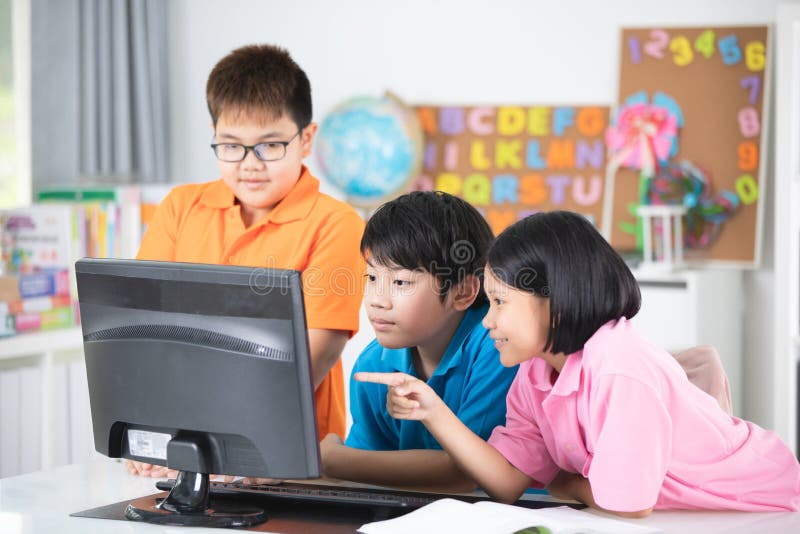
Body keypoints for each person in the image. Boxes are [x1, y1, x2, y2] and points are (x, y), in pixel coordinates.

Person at [358, 210, 800, 515]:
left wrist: (564, 483)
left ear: (557, 302)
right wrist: (433, 412)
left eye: (500, 302)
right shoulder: (534, 374)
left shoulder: (617, 364)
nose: (488, 321)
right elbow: (509, 482)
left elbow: (628, 502)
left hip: (759, 506)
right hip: (685, 517)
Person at [128, 44, 365, 477]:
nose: (249, 165)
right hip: (182, 451)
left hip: (286, 466)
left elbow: (314, 354)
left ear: (306, 139)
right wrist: (158, 433)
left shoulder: (337, 223)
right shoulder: (181, 207)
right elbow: (147, 334)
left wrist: (215, 438)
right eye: (231, 146)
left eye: (270, 145)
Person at [320, 191, 518, 492]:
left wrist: (333, 460)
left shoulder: (497, 347)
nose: (377, 301)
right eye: (372, 277)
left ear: (462, 292)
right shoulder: (374, 363)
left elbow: (466, 473)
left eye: (401, 282)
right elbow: (364, 472)